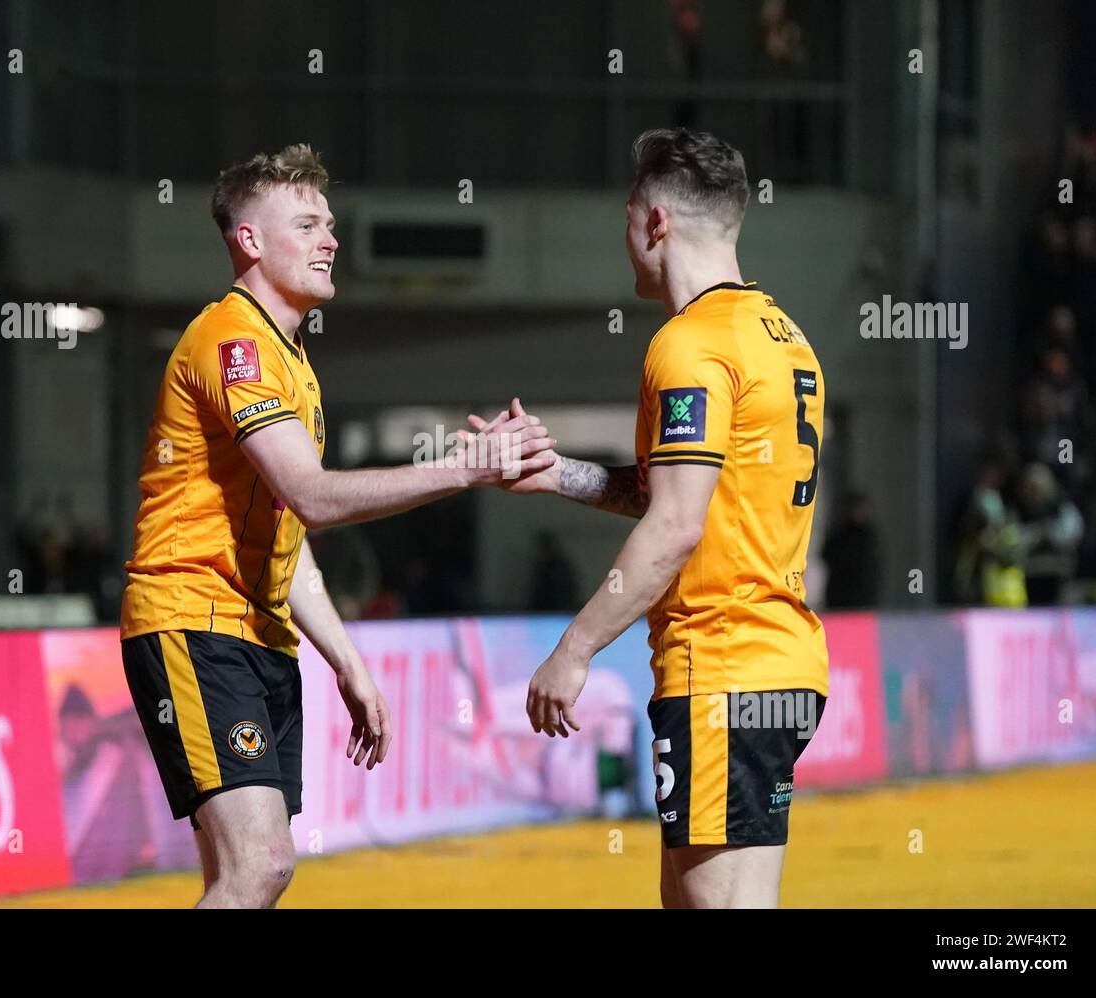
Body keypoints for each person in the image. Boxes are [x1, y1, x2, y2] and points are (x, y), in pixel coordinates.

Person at [119, 144, 554, 909]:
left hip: (256, 638)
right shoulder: (236, 342)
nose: (332, 240)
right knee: (261, 866)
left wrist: (346, 660)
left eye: (330, 224)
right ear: (248, 240)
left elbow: (293, 534)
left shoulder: (293, 359)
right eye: (309, 223)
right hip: (194, 623)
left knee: (235, 877)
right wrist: (470, 467)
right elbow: (314, 496)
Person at [470, 128, 828, 908]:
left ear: (656, 223)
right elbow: (688, 493)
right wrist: (558, 475)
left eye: (627, 212)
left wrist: (575, 648)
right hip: (775, 664)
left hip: (724, 667)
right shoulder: (783, 338)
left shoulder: (689, 346)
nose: (623, 232)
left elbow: (675, 526)